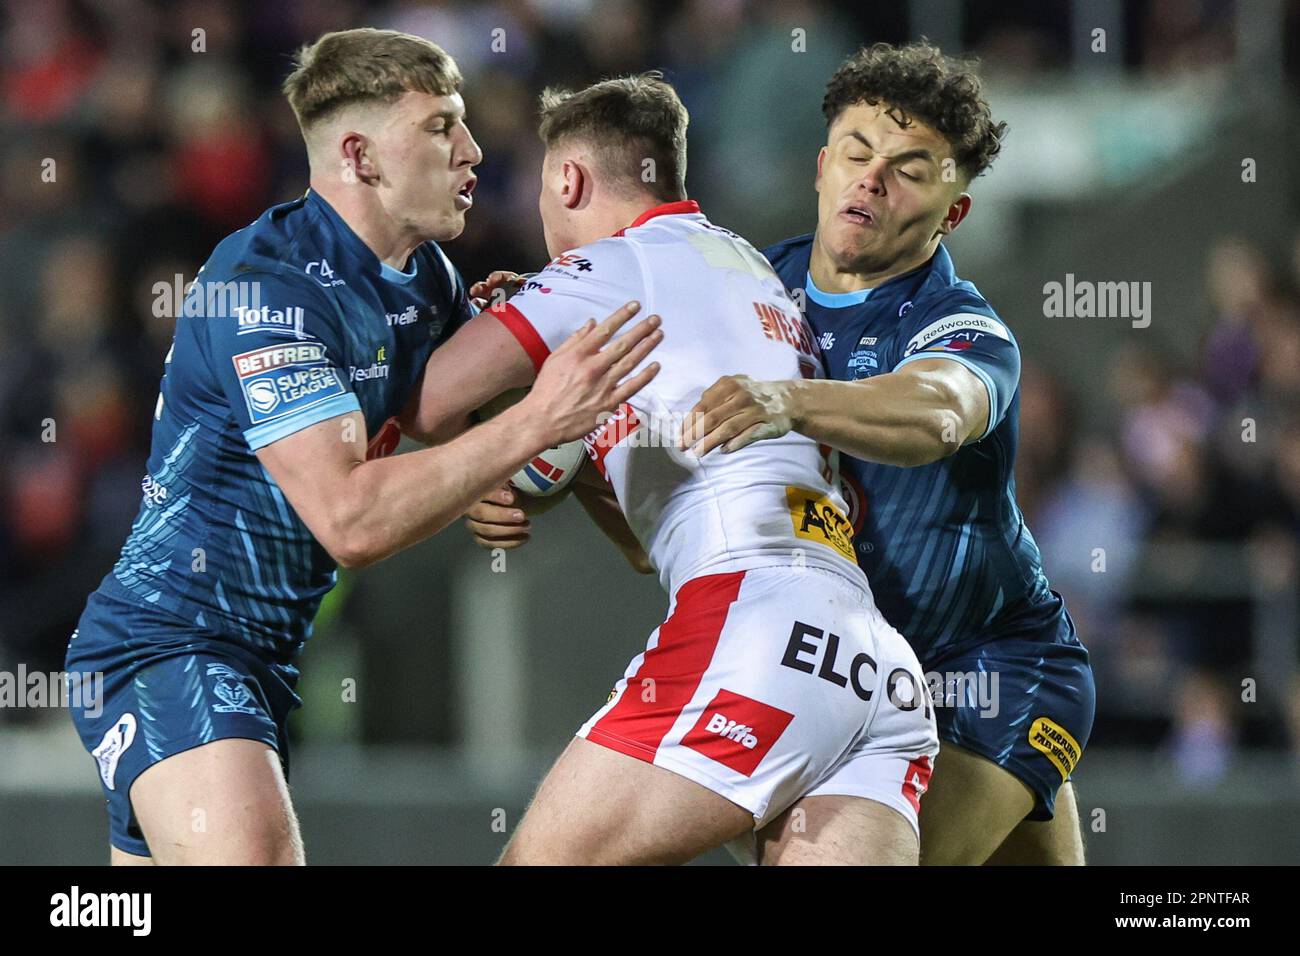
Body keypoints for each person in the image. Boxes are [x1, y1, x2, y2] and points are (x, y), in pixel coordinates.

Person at [64, 28, 660, 866]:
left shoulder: (425, 281)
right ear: (360, 155)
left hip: (267, 657)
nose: (473, 148)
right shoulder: (264, 290)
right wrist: (530, 425)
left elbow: (484, 462)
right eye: (440, 126)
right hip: (173, 644)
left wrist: (522, 458)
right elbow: (352, 519)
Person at [433, 73, 938, 865]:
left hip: (756, 622)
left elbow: (430, 401)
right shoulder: (746, 271)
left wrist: (480, 425)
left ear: (566, 180)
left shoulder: (613, 267)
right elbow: (646, 543)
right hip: (872, 667)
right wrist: (575, 454)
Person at [683, 42, 1096, 865]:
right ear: (821, 166)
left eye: (910, 168)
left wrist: (789, 400)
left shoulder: (961, 326)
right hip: (829, 668)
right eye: (857, 153)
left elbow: (938, 411)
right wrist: (527, 473)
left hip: (983, 672)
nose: (873, 178)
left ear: (954, 213)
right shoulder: (756, 288)